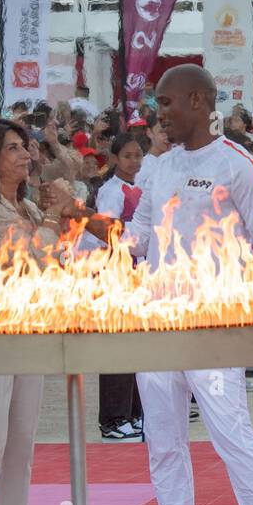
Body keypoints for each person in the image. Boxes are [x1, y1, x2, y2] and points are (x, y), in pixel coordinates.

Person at [126, 65, 253, 505]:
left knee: (231, 435)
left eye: (166, 102)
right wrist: (87, 226)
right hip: (155, 324)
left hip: (213, 325)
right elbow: (138, 235)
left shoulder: (239, 165)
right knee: (163, 442)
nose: (159, 113)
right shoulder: (159, 167)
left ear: (198, 100)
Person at [0, 119, 95, 505]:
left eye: (26, 146)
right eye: (13, 148)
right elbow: (25, 259)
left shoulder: (27, 208)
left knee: (20, 450)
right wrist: (52, 216)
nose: (26, 155)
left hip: (28, 332)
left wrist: (63, 215)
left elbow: (54, 262)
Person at [93, 134, 145, 441]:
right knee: (117, 347)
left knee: (136, 345)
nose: (134, 161)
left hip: (140, 270)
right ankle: (112, 418)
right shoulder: (110, 192)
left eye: (138, 155)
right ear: (115, 158)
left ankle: (134, 412)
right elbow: (107, 231)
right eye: (127, 156)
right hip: (117, 271)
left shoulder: (142, 188)